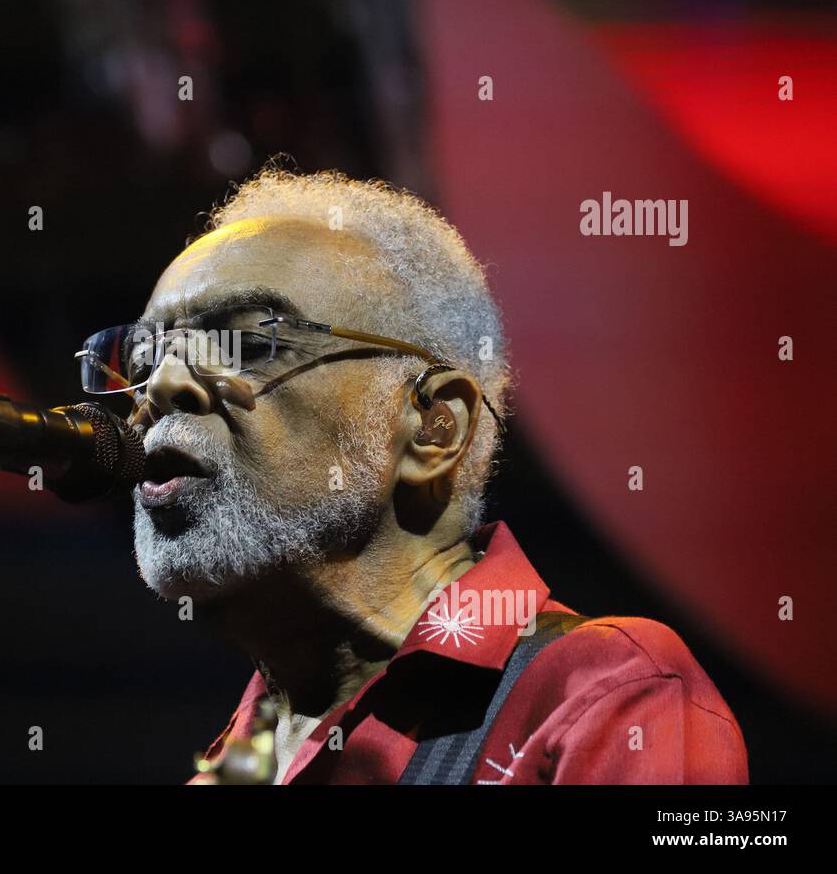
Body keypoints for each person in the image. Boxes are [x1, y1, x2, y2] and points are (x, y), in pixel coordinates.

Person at [75, 168, 748, 784]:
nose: (158, 387)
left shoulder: (602, 695)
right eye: (139, 358)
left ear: (432, 428)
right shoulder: (232, 764)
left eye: (247, 343)